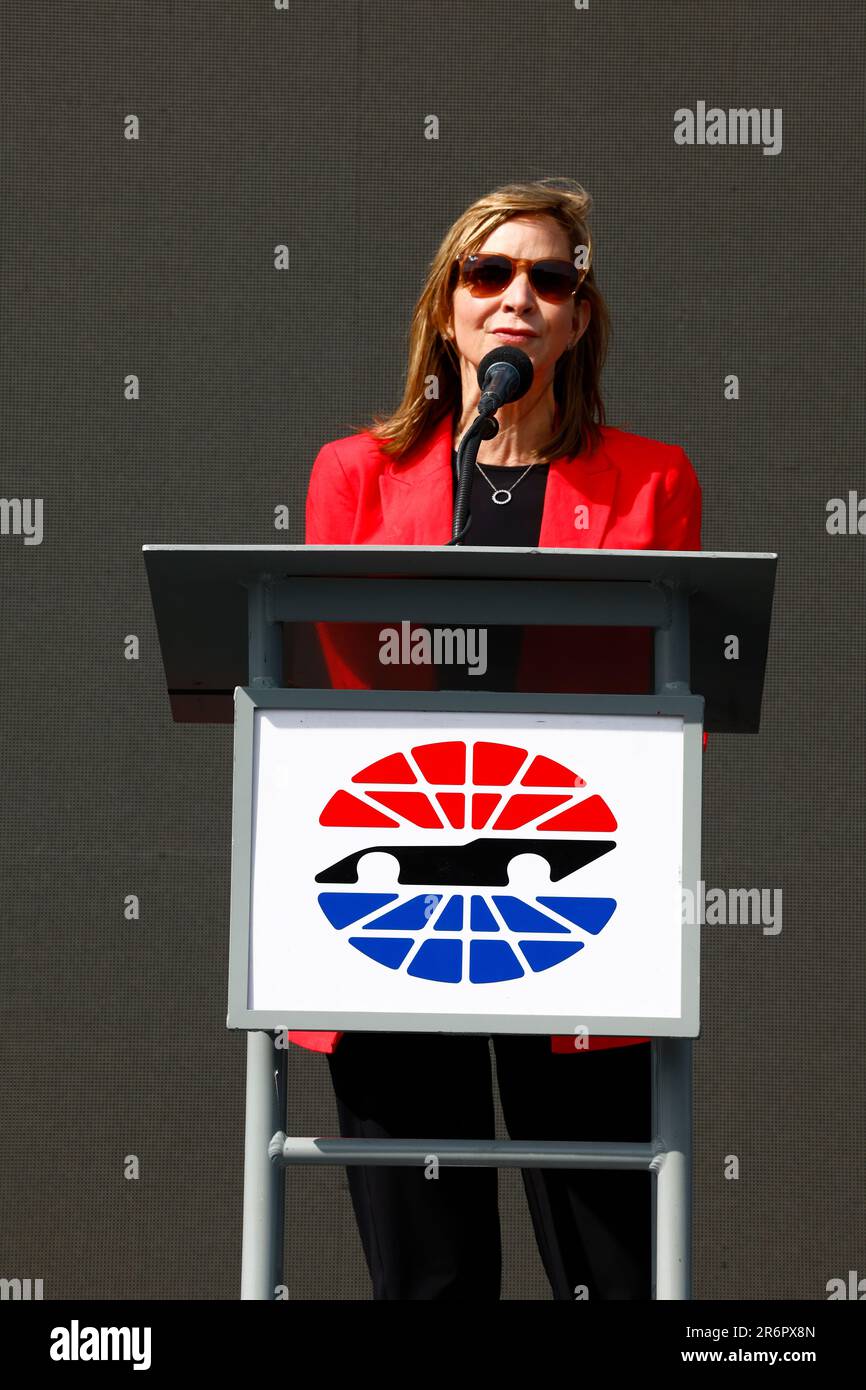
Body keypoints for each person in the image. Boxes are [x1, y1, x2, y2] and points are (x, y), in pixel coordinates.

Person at [289, 178, 702, 1300]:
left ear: (575, 317)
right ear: (446, 307)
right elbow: (326, 694)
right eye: (489, 272)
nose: (517, 296)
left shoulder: (651, 479)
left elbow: (675, 708)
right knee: (428, 1275)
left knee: (609, 1267)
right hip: (394, 899)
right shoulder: (354, 475)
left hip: (574, 890)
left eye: (549, 277)